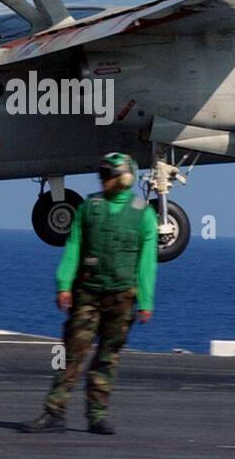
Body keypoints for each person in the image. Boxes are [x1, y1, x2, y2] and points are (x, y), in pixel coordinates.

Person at [21, 153, 156, 436]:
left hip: (122, 297)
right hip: (88, 295)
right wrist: (64, 284)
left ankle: (97, 415)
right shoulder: (89, 207)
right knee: (72, 354)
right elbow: (73, 247)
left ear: (124, 177)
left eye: (108, 174)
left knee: (107, 358)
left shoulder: (144, 214)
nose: (103, 179)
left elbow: (147, 263)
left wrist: (145, 301)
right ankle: (54, 412)